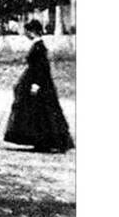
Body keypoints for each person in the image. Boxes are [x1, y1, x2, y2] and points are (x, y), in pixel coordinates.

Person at [4, 20, 73, 152]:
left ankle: (45, 141)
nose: (26, 34)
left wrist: (36, 84)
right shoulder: (36, 45)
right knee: (35, 111)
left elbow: (42, 67)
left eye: (27, 32)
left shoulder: (39, 47)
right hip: (32, 79)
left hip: (39, 82)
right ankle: (38, 140)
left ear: (32, 32)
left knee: (42, 111)